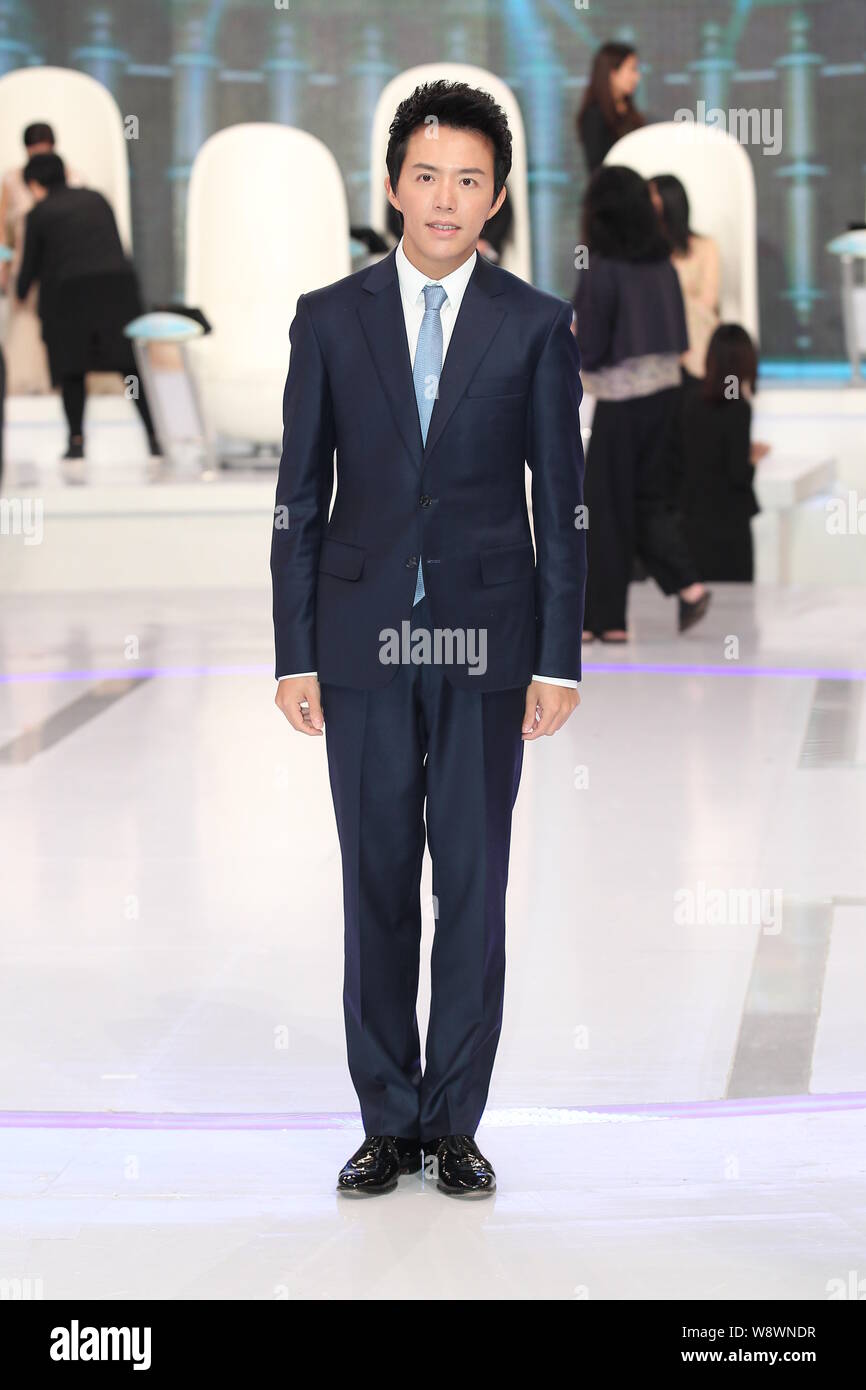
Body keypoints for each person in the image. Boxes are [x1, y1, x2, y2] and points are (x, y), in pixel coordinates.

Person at [270, 80, 586, 1198]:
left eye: (467, 179)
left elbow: (564, 497)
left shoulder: (537, 323)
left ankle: (453, 1119)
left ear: (495, 196)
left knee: (472, 880)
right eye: (424, 175)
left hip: (486, 643)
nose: (443, 199)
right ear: (391, 185)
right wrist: (292, 648)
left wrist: (557, 656)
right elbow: (298, 493)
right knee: (372, 882)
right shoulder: (328, 315)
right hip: (358, 644)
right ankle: (384, 1120)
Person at [572, 165, 711, 642]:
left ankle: (604, 620)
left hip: (621, 399)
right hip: (669, 395)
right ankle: (687, 586)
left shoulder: (601, 265)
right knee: (648, 499)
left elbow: (589, 340)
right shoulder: (662, 264)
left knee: (601, 507)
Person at [15, 152, 160, 465]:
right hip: (117, 292)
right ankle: (154, 437)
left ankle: (76, 441)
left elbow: (31, 264)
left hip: (69, 297)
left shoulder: (39, 213)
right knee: (130, 370)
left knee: (71, 371)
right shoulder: (96, 198)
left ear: (35, 184)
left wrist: (19, 291)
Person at [0, 122, 84, 394]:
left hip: (62, 268)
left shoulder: (71, 178)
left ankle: (63, 380)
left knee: (63, 325)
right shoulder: (12, 181)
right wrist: (4, 266)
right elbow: (4, 232)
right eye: (35, 152)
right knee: (26, 328)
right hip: (26, 266)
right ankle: (26, 382)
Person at [679, 325, 768, 582]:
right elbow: (738, 474)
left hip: (691, 525)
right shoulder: (738, 408)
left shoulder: (690, 401)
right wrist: (751, 459)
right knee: (734, 612)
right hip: (729, 530)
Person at [650, 174, 720, 381]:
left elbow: (708, 302)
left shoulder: (706, 247)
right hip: (656, 349)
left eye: (652, 198)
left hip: (696, 346)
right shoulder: (644, 253)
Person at [576, 42, 645, 174]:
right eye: (632, 69)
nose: (637, 77)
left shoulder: (631, 113)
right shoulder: (594, 116)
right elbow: (597, 167)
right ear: (613, 73)